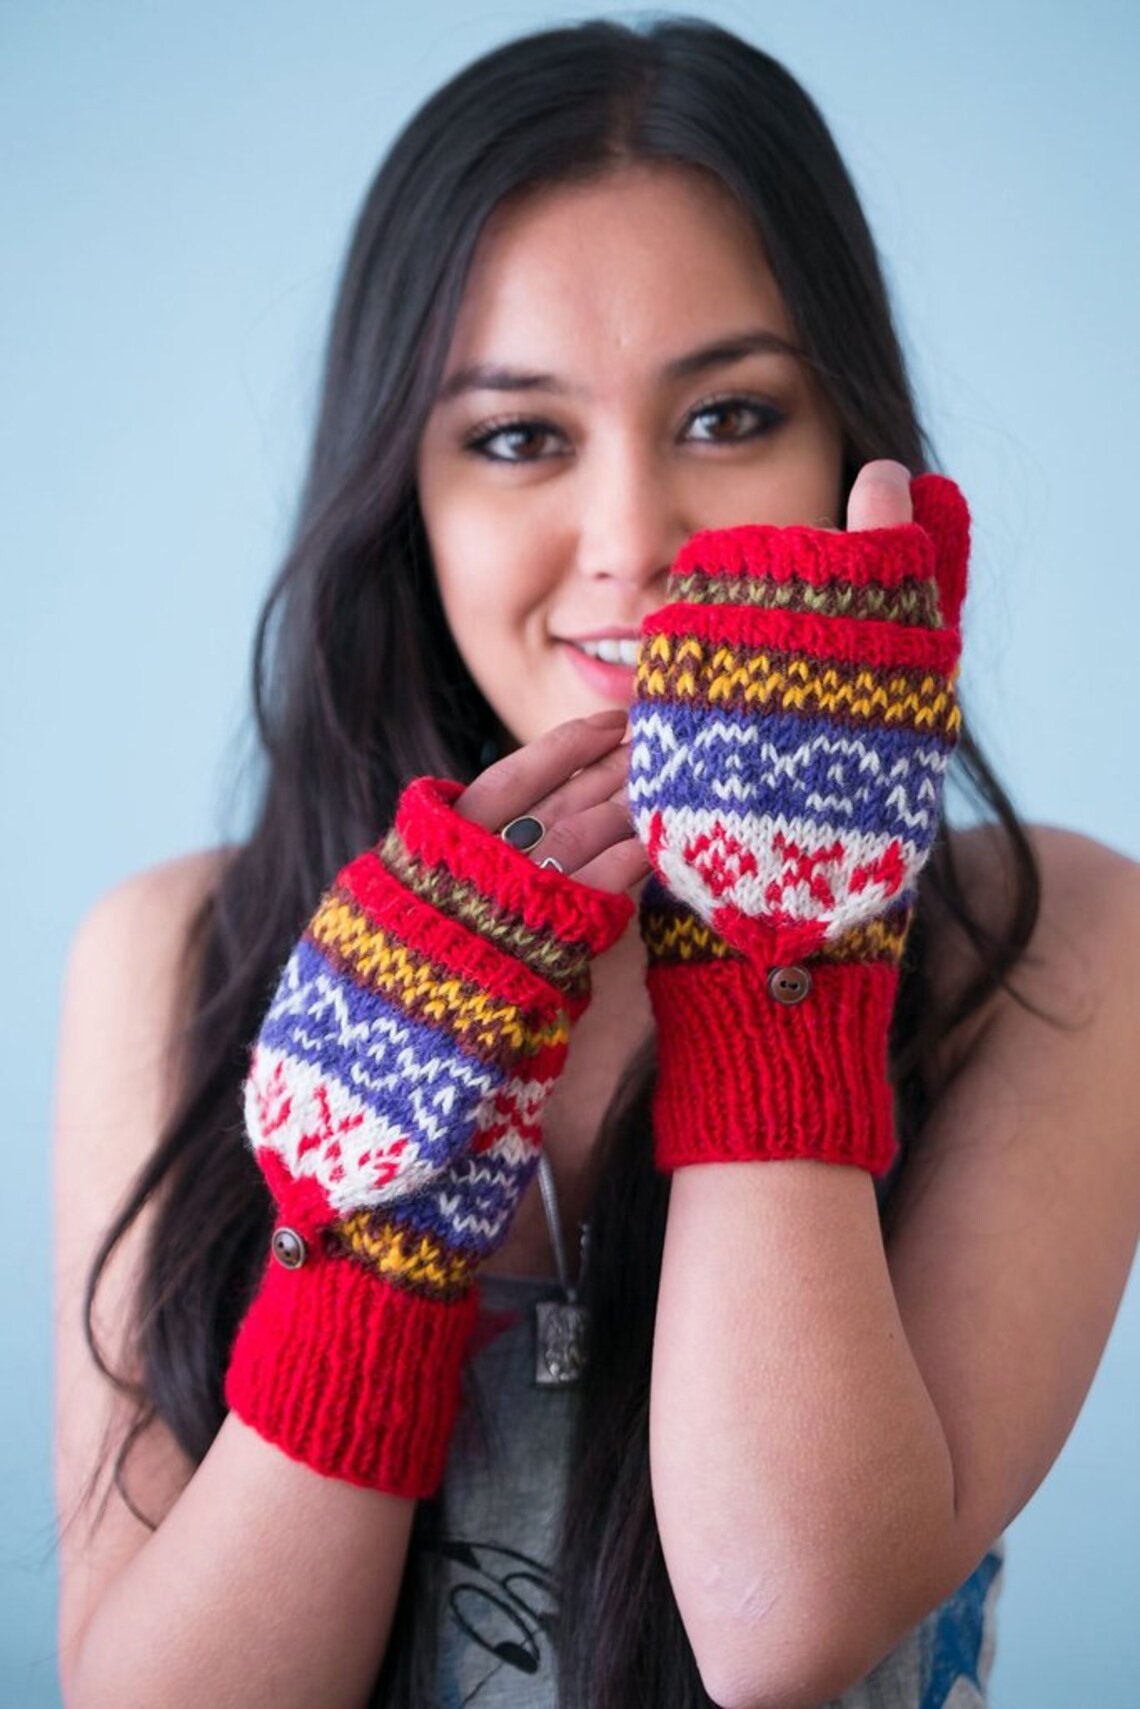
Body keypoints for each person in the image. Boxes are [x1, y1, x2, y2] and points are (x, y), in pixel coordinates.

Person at [51, 17, 1140, 1709]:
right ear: (399, 491)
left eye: (726, 411)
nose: (634, 539)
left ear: (851, 437)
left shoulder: (1052, 936)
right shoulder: (185, 947)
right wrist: (384, 1230)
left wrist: (781, 935)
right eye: (516, 435)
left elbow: (789, 1624)